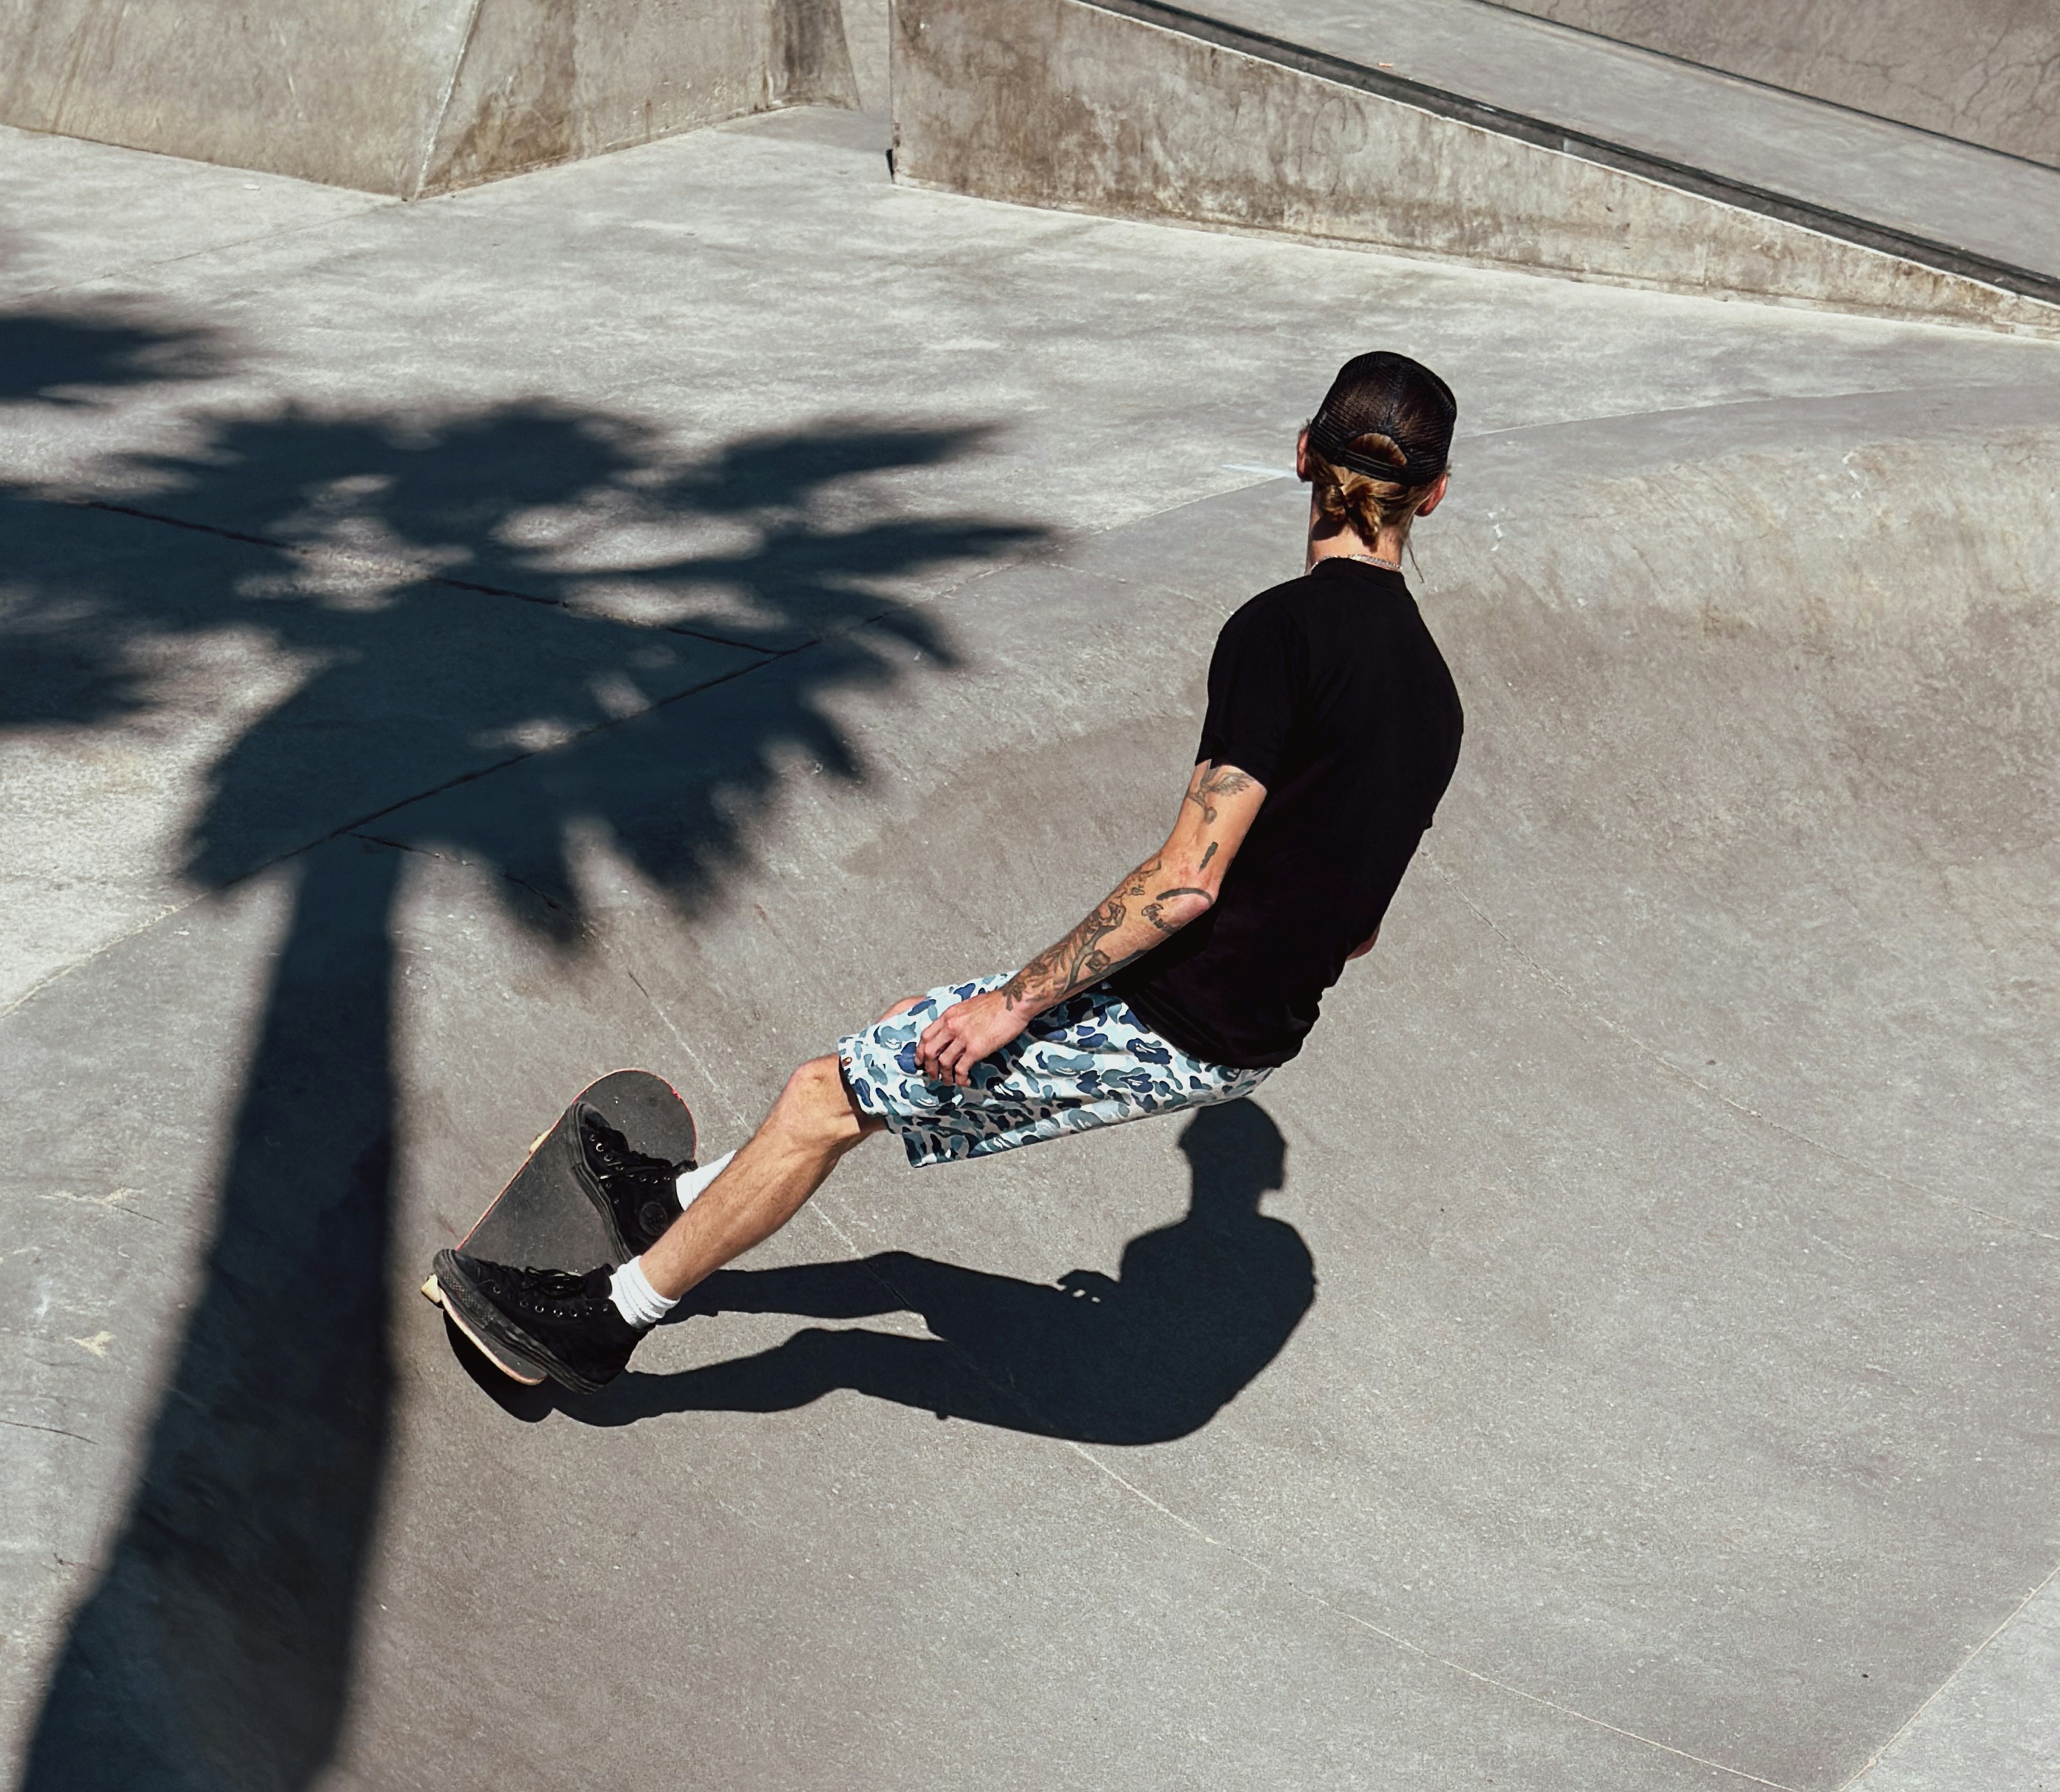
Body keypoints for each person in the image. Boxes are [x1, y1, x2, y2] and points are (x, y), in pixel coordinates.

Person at [435, 350, 1465, 1395]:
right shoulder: (1436, 698)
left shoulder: (1282, 632)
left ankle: (604, 1321)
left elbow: (1187, 880)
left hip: (1175, 1016)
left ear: (1303, 454)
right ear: (1432, 493)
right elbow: (1356, 930)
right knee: (905, 1037)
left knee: (826, 1095)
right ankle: (673, 1203)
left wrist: (1015, 1006)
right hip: (1242, 1033)